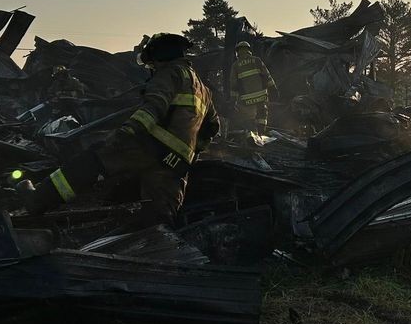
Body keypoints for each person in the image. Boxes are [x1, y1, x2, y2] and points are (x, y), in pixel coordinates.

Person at [19, 33, 219, 226]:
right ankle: (157, 250)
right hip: (177, 162)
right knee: (160, 215)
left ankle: (37, 199)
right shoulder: (203, 89)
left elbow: (154, 106)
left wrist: (127, 132)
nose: (152, 68)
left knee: (91, 161)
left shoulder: (170, 73)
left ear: (160, 57)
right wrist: (190, 152)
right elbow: (212, 126)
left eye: (152, 63)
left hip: (148, 146)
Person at [229, 41, 278, 134]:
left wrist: (233, 100)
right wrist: (273, 89)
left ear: (237, 52)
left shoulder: (235, 66)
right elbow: (267, 76)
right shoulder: (257, 60)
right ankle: (261, 134)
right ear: (249, 50)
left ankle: (253, 137)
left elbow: (233, 85)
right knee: (262, 115)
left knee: (250, 118)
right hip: (262, 96)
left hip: (246, 99)